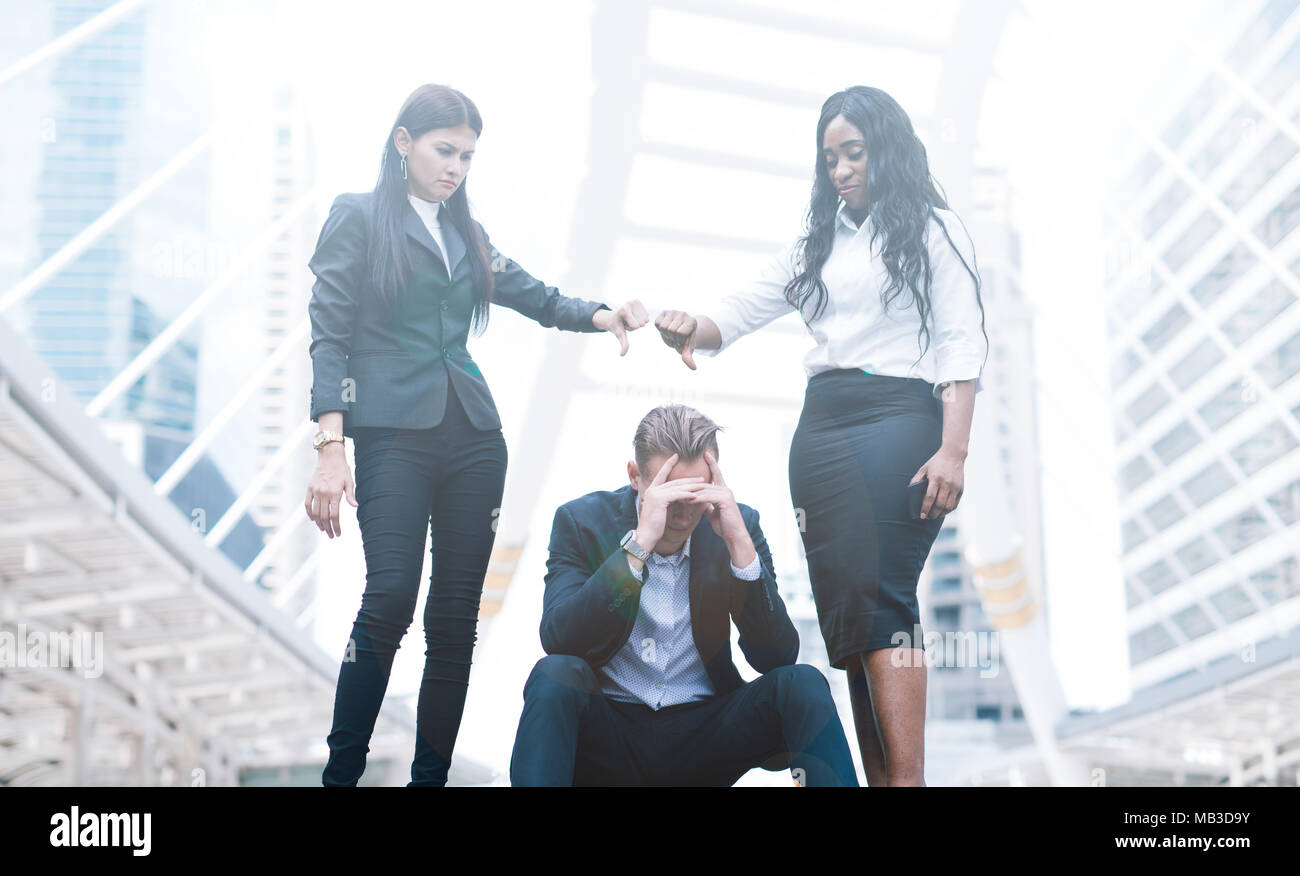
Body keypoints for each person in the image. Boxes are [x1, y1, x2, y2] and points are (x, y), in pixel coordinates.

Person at [304, 83, 648, 786]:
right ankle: (341, 776)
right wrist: (330, 447)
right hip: (392, 433)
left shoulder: (466, 233)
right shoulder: (358, 215)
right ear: (404, 142)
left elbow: (535, 295)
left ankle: (428, 780)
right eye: (443, 150)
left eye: (466, 155)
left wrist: (602, 314)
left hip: (474, 436)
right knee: (391, 595)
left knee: (456, 618)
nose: (456, 166)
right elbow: (330, 333)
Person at [654, 86, 990, 786]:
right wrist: (693, 325)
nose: (840, 169)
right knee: (850, 620)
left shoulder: (935, 228)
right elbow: (742, 308)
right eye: (829, 158)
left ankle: (908, 779)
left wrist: (953, 449)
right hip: (824, 430)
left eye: (854, 154)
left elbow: (962, 343)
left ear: (885, 150)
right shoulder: (818, 239)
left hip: (899, 417)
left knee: (884, 594)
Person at [509, 404, 857, 786]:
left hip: (703, 733)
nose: (683, 513)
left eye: (696, 493)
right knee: (554, 675)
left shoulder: (737, 526)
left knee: (802, 682)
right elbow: (560, 639)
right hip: (610, 732)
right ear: (635, 476)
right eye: (671, 494)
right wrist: (639, 546)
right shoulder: (581, 522)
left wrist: (739, 544)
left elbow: (775, 656)